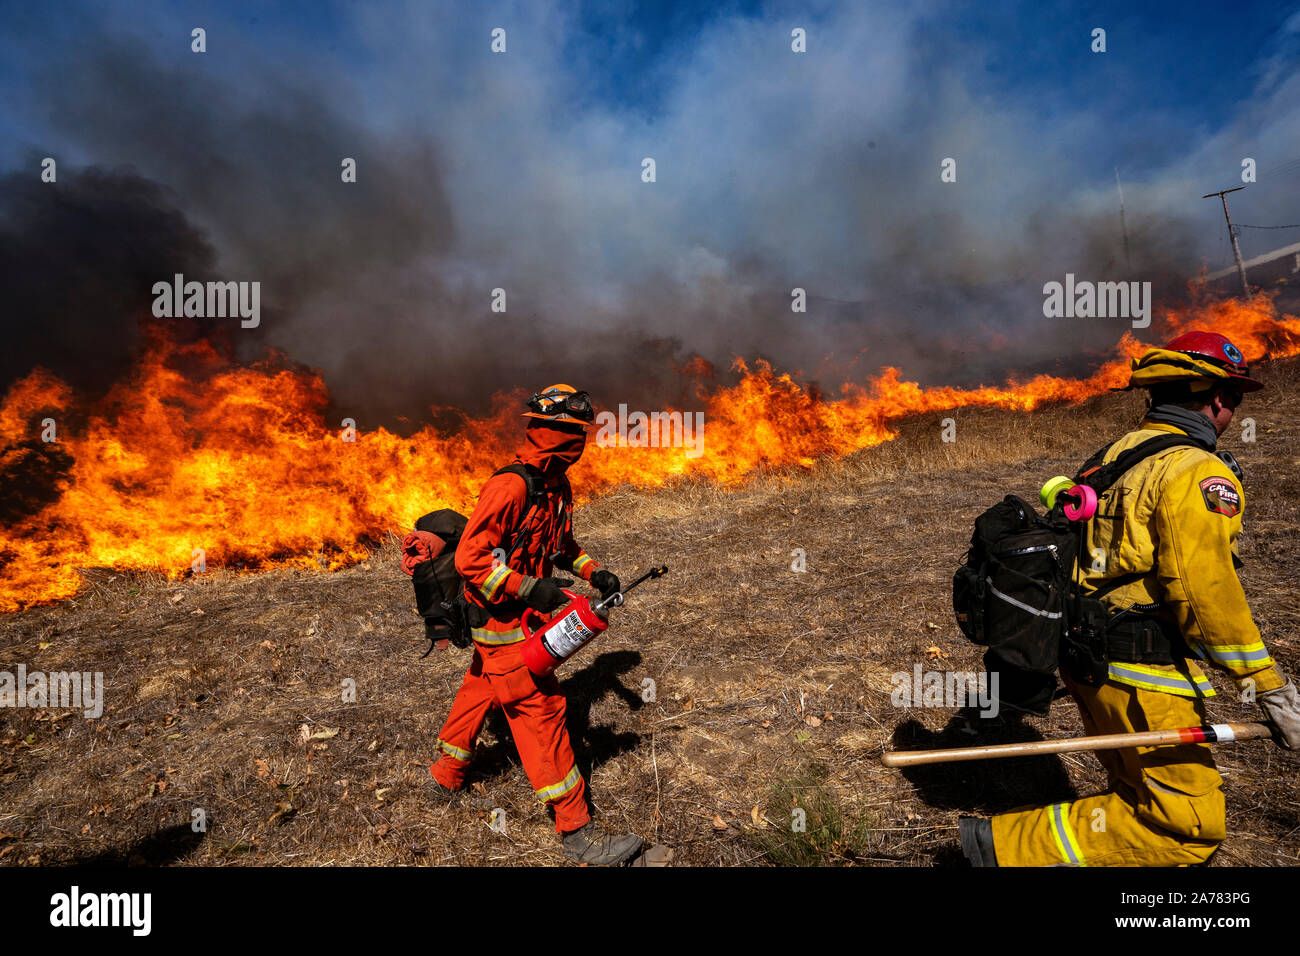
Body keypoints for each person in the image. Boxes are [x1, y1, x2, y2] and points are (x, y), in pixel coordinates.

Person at [960, 331, 1300, 867]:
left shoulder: (1116, 454)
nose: (1231, 411)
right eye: (1232, 399)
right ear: (1214, 398)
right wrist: (1268, 688)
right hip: (1141, 670)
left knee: (1136, 793)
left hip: (1086, 658)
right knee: (1184, 825)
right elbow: (1204, 591)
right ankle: (998, 850)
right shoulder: (1197, 471)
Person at [428, 384, 643, 865]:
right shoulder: (509, 487)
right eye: (569, 431)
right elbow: (470, 559)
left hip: (522, 617)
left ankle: (447, 772)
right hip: (499, 619)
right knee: (540, 709)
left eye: (580, 432)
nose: (578, 441)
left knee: (481, 687)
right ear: (546, 431)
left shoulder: (556, 485)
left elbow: (560, 544)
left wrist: (593, 571)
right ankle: (577, 832)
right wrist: (531, 588)